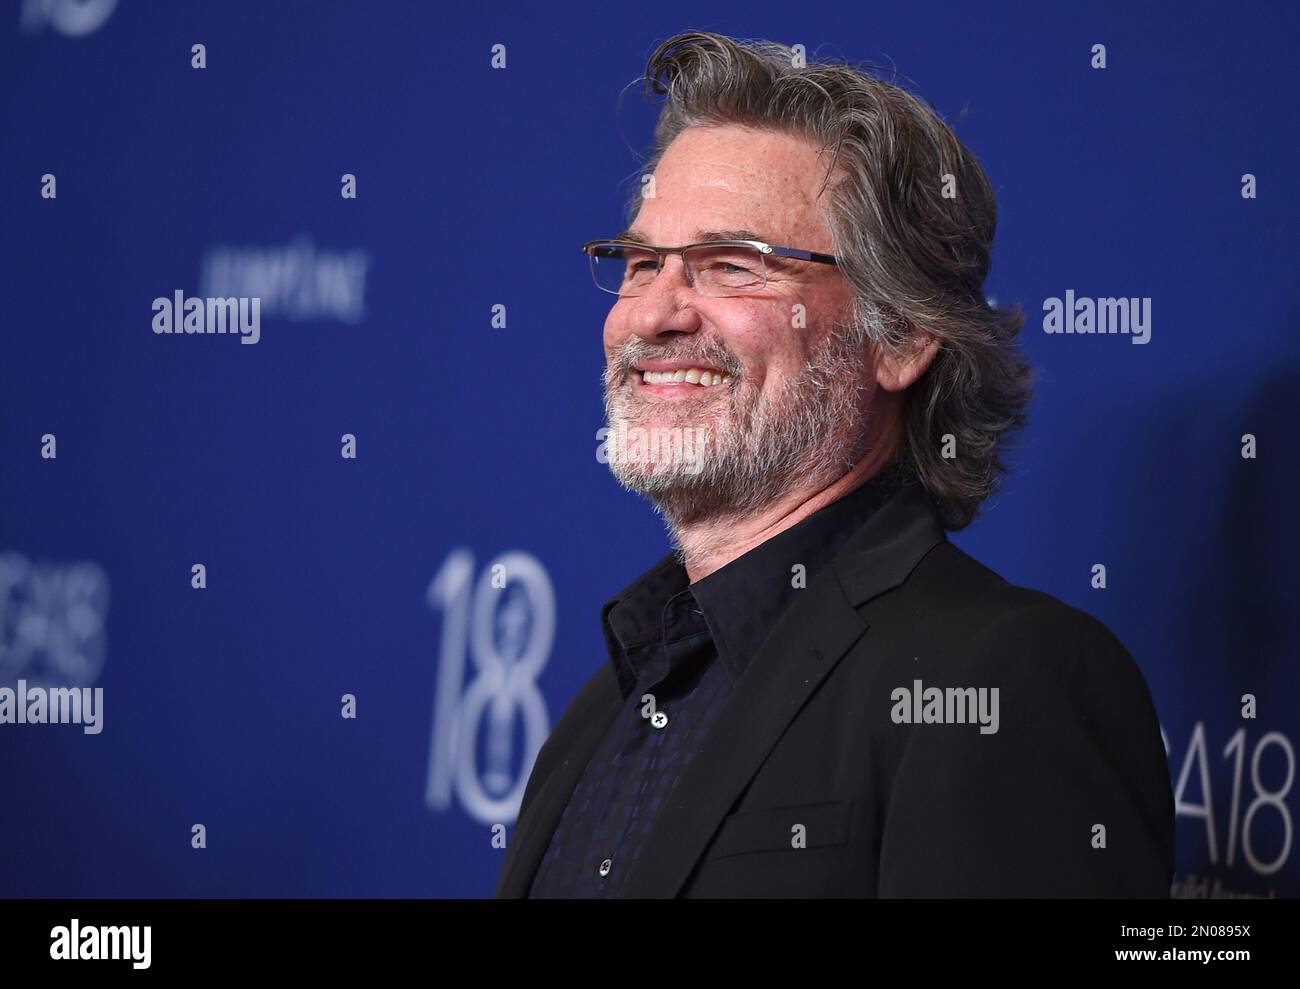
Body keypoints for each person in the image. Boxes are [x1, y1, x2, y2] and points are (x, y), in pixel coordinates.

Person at [494, 30, 1174, 898]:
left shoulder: (1003, 681)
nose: (654, 314)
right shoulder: (599, 713)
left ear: (903, 334)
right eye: (640, 263)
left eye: (732, 265)